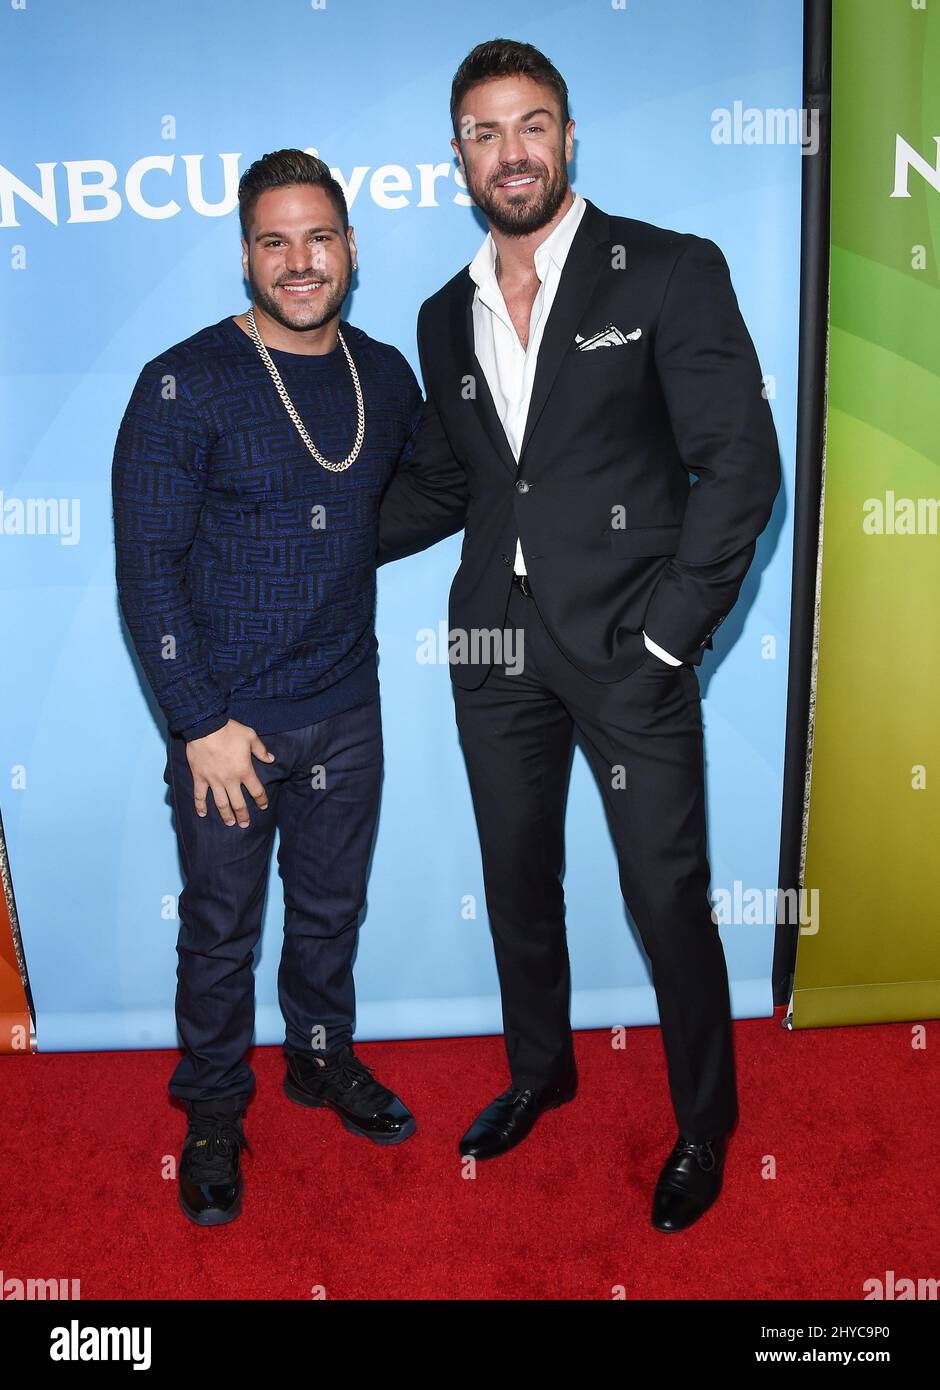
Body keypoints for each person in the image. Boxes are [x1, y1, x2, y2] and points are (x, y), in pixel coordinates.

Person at [379, 40, 781, 1233]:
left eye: (533, 124)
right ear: (458, 154)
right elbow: (459, 483)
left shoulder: (663, 270)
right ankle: (540, 1071)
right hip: (493, 647)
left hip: (626, 649)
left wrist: (667, 639)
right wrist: (310, 529)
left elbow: (742, 467)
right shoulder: (439, 315)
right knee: (516, 878)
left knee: (666, 896)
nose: (513, 152)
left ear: (568, 136)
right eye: (486, 132)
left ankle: (705, 1123)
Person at [112, 149, 421, 1227]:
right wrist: (199, 723)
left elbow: (426, 494)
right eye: (275, 241)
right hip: (228, 725)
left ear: (349, 246)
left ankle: (319, 1059)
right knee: (221, 927)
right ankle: (209, 1108)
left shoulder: (384, 375)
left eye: (319, 237)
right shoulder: (181, 380)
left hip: (348, 704)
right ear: (245, 254)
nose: (300, 262)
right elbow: (145, 569)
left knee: (331, 913)